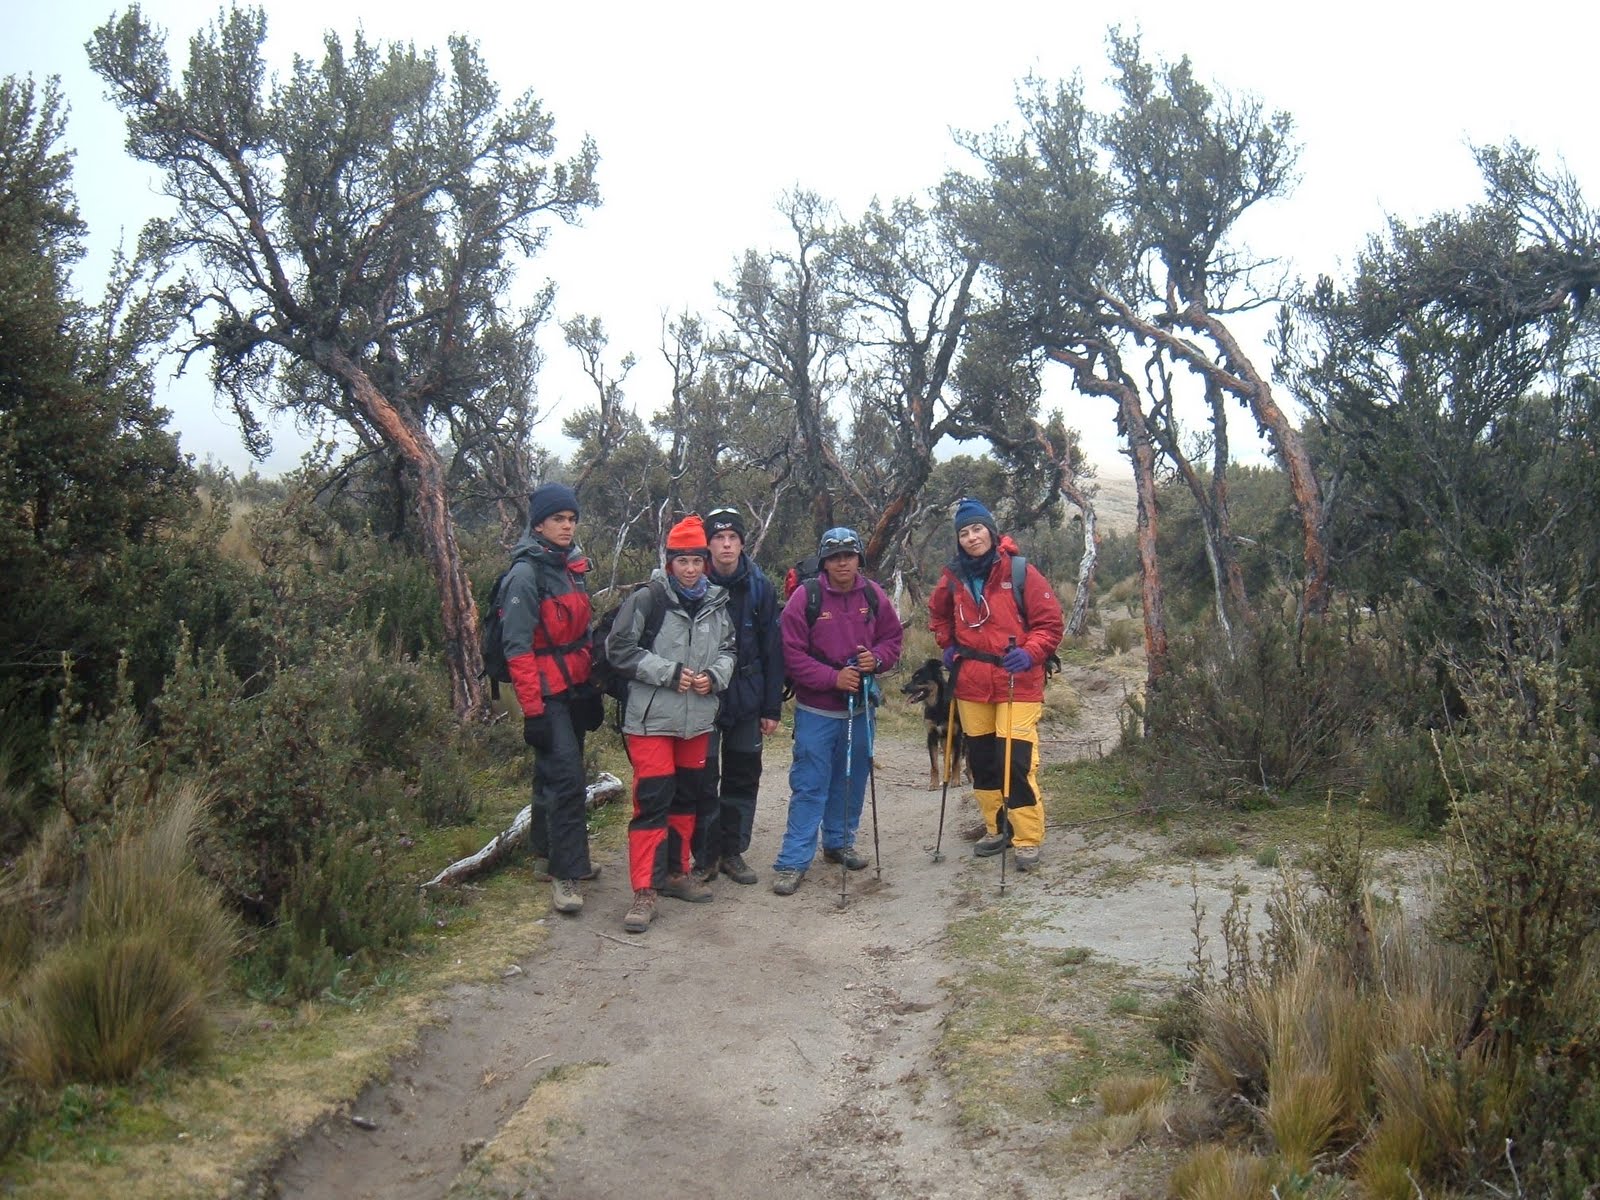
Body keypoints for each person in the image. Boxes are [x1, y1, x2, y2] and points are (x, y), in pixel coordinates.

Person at [606, 514, 736, 933]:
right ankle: (644, 889)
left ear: (705, 562)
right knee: (652, 802)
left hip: (697, 720)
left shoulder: (717, 601)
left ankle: (676, 873)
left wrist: (714, 676)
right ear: (670, 562)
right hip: (650, 721)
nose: (691, 569)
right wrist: (669, 673)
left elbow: (730, 650)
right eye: (683, 561)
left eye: (697, 560)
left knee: (687, 799)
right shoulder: (648, 599)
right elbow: (618, 649)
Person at [928, 498, 1065, 872]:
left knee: (1015, 761)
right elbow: (938, 615)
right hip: (971, 682)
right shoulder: (952, 578)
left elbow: (1050, 624)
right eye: (964, 532)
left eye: (977, 529)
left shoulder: (1020, 572)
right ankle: (997, 827)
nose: (972, 537)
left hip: (1017, 680)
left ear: (990, 531)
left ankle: (1027, 838)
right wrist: (947, 644)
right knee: (983, 760)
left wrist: (1031, 652)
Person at [772, 527, 903, 896]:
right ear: (824, 562)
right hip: (817, 710)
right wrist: (833, 678)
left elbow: (892, 639)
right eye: (834, 557)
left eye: (849, 555)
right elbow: (792, 654)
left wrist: (876, 659)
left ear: (859, 558)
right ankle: (793, 860)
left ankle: (838, 843)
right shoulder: (806, 597)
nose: (842, 563)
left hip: (860, 709)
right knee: (809, 783)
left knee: (851, 779)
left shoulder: (873, 595)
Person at [499, 482, 604, 915]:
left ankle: (545, 855)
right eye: (558, 519)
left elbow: (580, 633)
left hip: (574, 688)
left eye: (572, 519)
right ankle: (567, 873)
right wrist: (532, 711)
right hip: (545, 693)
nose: (567, 526)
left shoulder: (571, 567)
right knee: (567, 781)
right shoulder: (525, 575)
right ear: (538, 524)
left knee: (551, 773)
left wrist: (593, 683)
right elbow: (517, 649)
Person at [689, 506, 784, 887]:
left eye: (733, 538)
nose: (726, 545)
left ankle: (733, 852)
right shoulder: (693, 583)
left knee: (743, 775)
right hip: (703, 695)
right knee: (703, 777)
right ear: (708, 544)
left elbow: (772, 649)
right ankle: (706, 855)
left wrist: (771, 707)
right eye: (719, 538)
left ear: (743, 543)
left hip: (747, 694)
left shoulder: (760, 587)